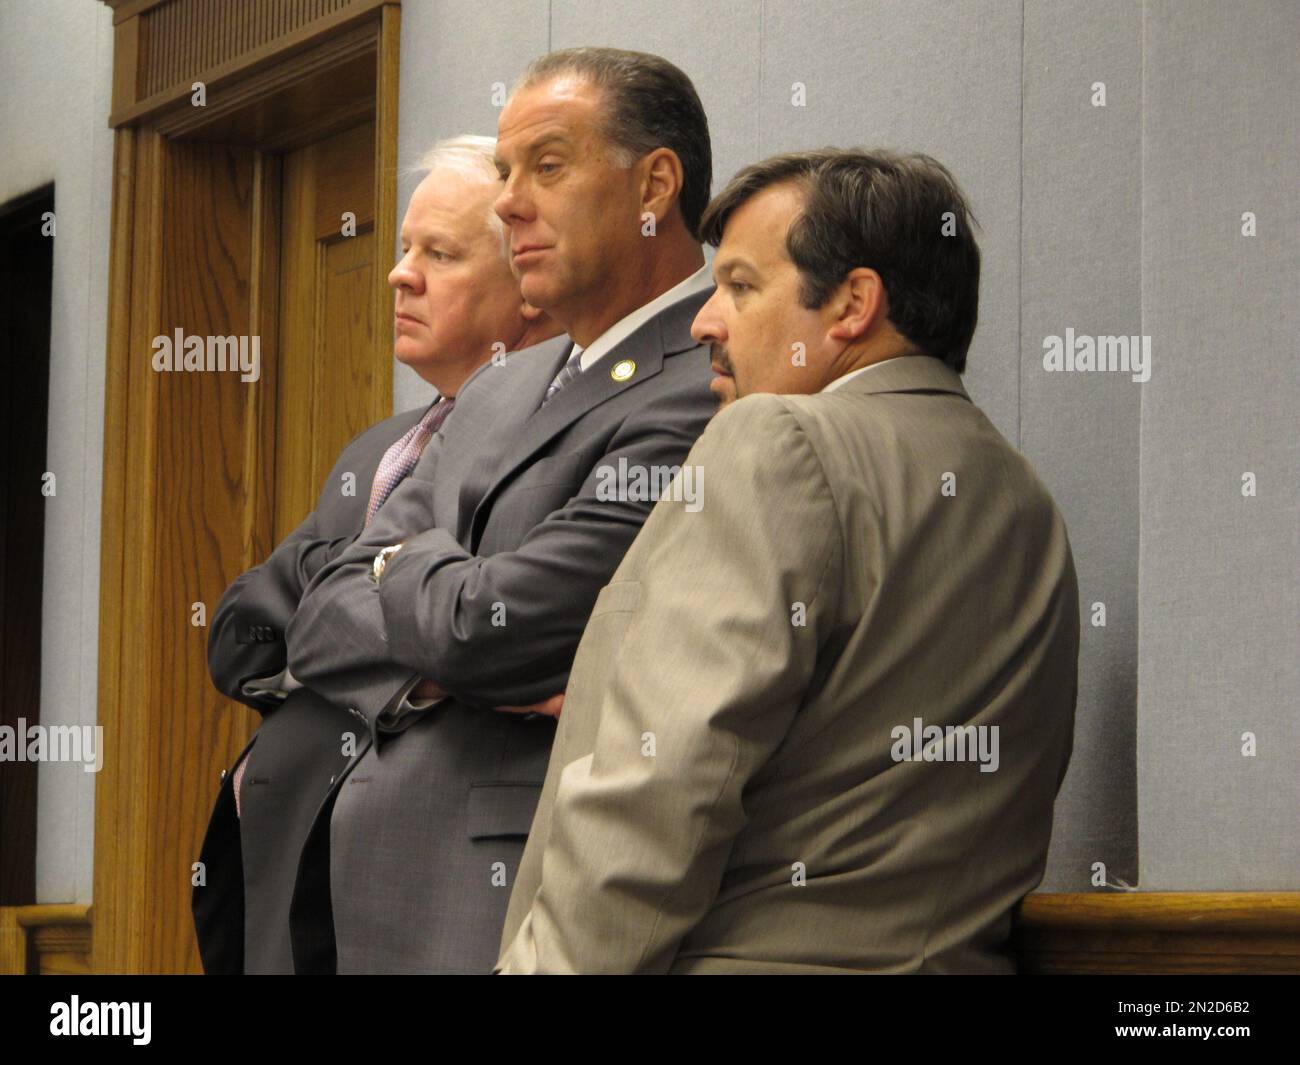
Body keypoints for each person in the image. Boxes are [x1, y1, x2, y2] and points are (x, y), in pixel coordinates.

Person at [498, 148, 1080, 974]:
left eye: (738, 285)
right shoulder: (1026, 503)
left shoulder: (774, 440)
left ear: (852, 305)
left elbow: (659, 793)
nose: (704, 321)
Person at [283, 47, 717, 974]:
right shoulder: (499, 385)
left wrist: (403, 568)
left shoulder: (708, 381)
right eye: (508, 172)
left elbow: (502, 628)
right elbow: (318, 616)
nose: (510, 201)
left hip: (524, 904)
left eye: (547, 167)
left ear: (656, 184)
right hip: (371, 890)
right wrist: (436, 652)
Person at [194, 135, 560, 974]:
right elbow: (243, 627)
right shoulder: (377, 451)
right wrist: (383, 631)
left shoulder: (550, 450)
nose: (400, 274)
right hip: (280, 876)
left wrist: (356, 616)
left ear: (530, 292)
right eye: (403, 249)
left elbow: (479, 629)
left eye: (439, 253)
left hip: (427, 892)